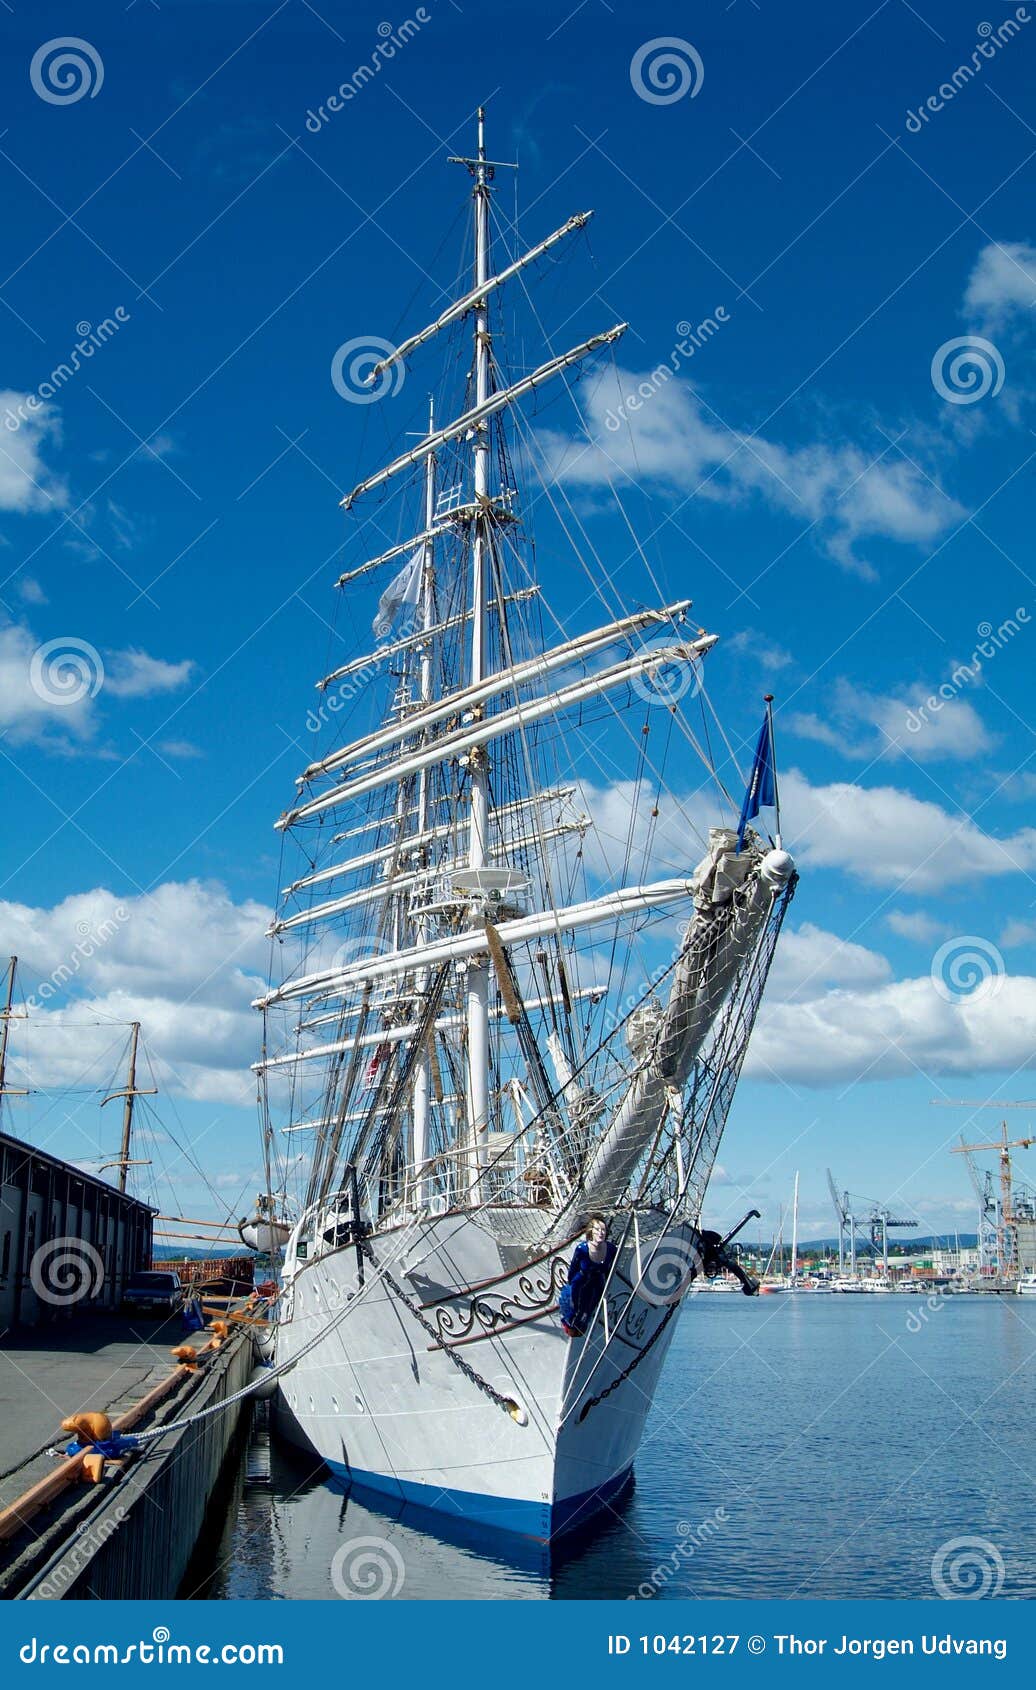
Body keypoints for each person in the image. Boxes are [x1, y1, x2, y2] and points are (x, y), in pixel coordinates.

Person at [559, 1214, 617, 1337]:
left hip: (597, 1282)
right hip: (581, 1282)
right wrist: (571, 1282)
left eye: (603, 1230)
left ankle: (581, 1325)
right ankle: (572, 1325)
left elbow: (610, 1269)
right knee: (575, 1308)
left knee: (589, 1308)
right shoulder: (582, 1249)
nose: (600, 1233)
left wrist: (606, 1281)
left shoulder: (611, 1249)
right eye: (597, 1230)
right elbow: (573, 1269)